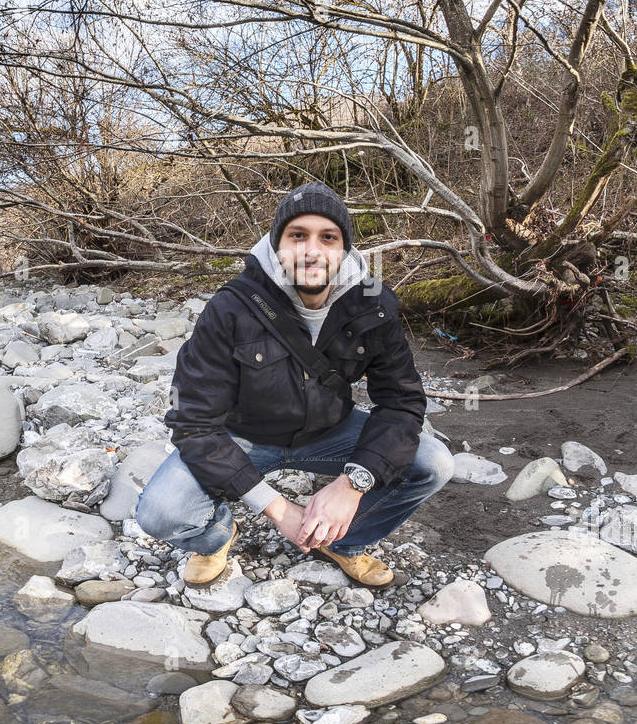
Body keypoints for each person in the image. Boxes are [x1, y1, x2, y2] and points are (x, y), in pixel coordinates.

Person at [138, 182, 451, 588]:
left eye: (328, 237)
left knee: (433, 463)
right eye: (297, 236)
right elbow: (192, 421)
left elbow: (402, 402)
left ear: (344, 249)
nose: (312, 250)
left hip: (331, 432)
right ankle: (216, 538)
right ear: (276, 243)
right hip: (241, 437)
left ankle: (343, 541)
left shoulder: (373, 303)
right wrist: (280, 509)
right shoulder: (231, 307)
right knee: (161, 513)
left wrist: (354, 483)